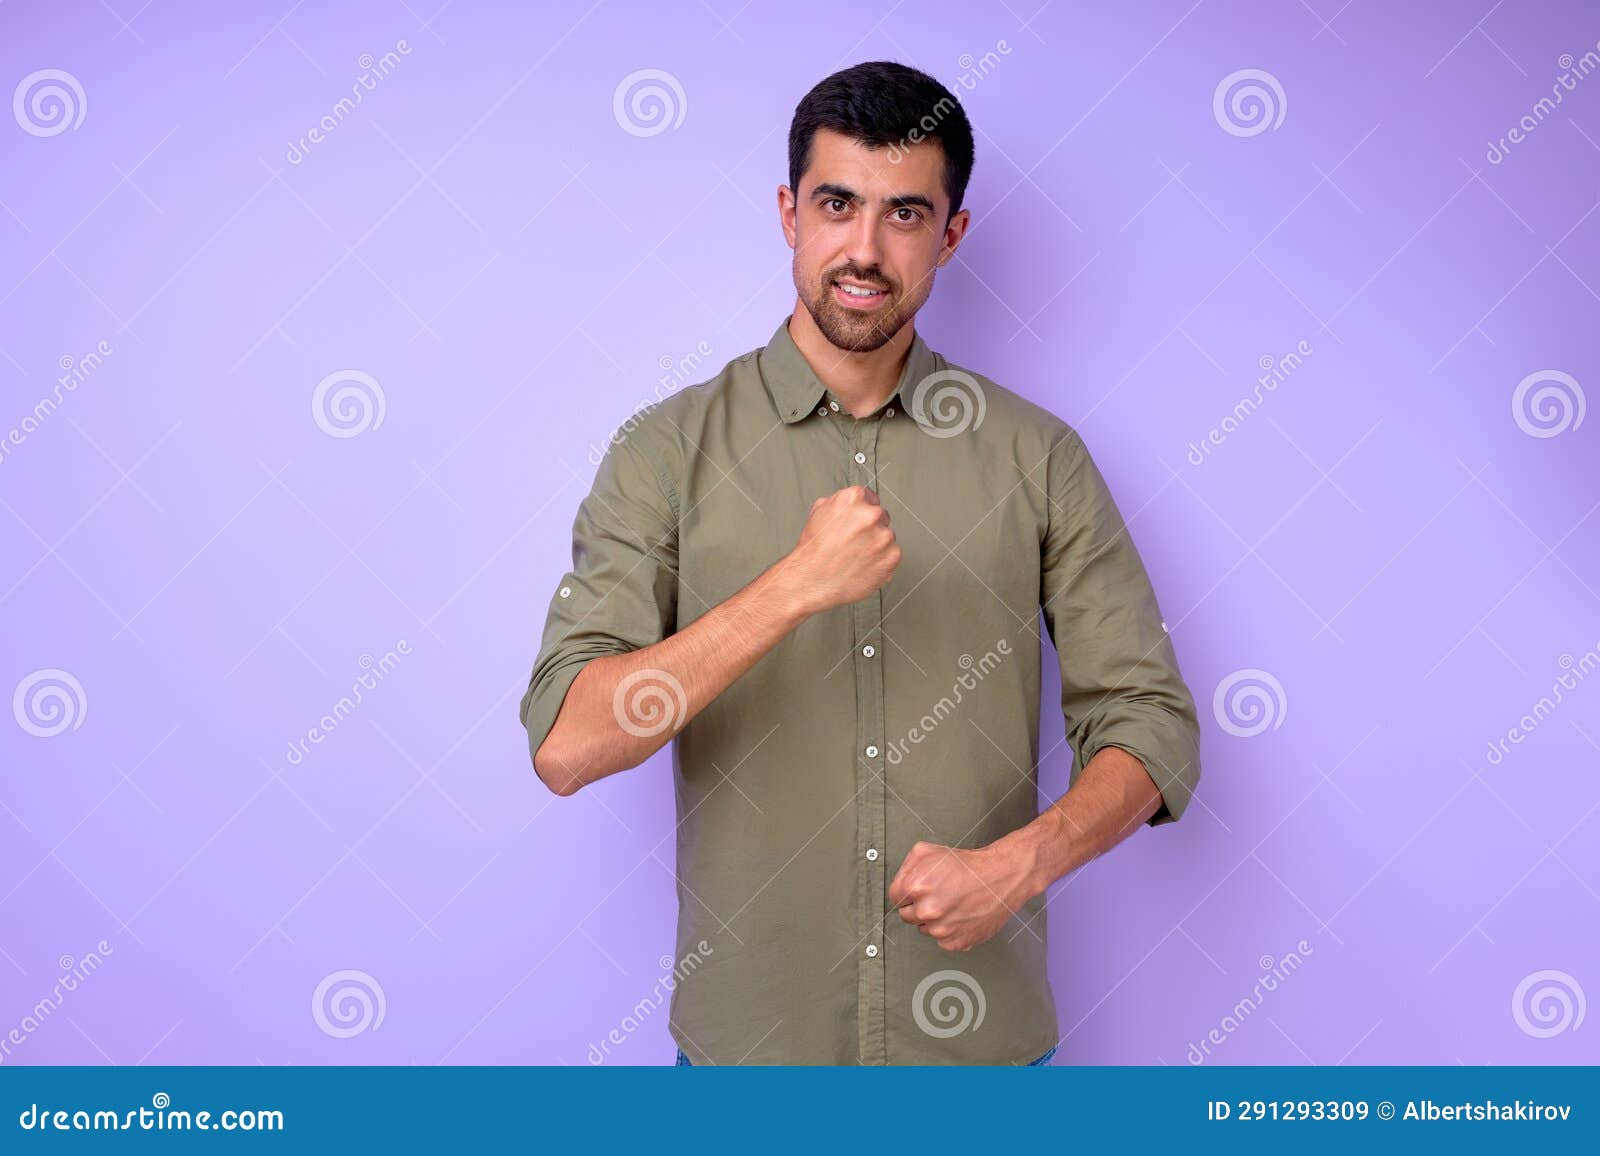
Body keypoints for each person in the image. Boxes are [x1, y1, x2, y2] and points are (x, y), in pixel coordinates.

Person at [520, 60, 1201, 1066]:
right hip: (750, 1056)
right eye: (837, 204)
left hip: (983, 1058)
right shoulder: (663, 451)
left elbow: (1149, 724)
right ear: (790, 212)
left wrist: (1024, 862)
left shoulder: (1036, 457)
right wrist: (791, 587)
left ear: (951, 234)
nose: (866, 250)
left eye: (905, 214)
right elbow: (568, 745)